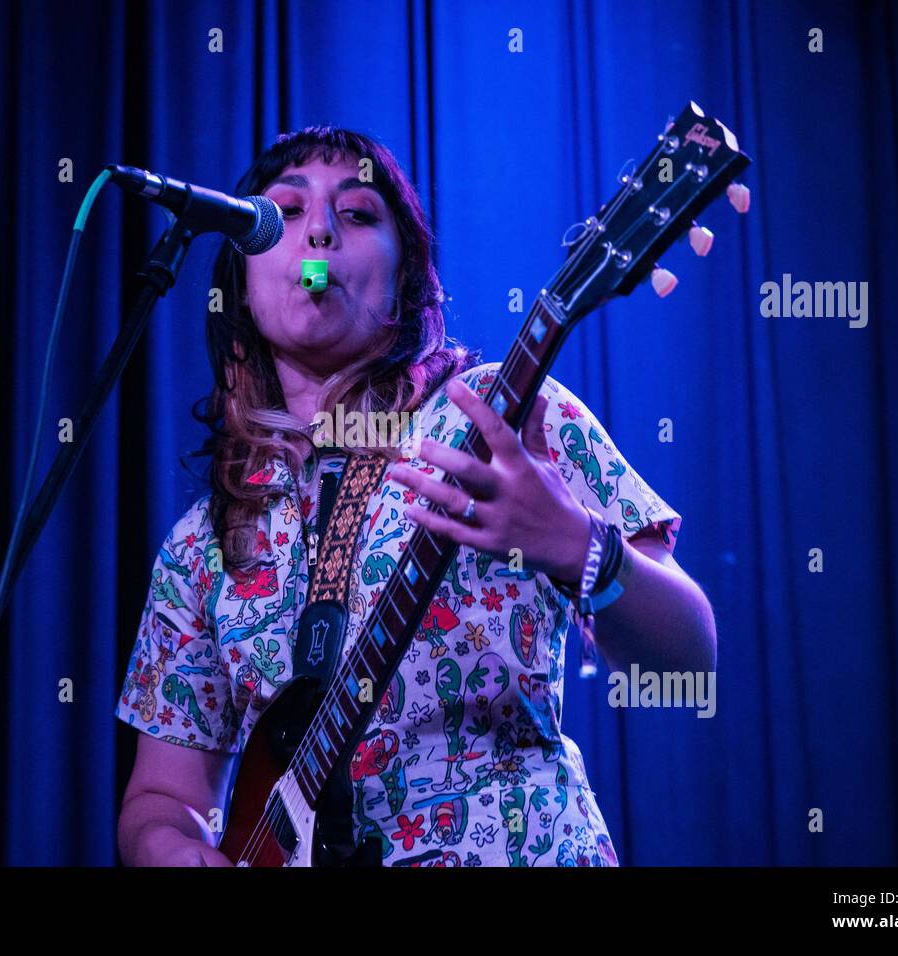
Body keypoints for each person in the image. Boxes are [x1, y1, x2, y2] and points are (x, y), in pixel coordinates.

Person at [115, 126, 716, 867]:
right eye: (286, 211)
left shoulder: (503, 414)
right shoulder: (202, 540)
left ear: (406, 278)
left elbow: (689, 659)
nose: (321, 230)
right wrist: (168, 849)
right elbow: (163, 797)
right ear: (238, 278)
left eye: (359, 214)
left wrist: (575, 543)